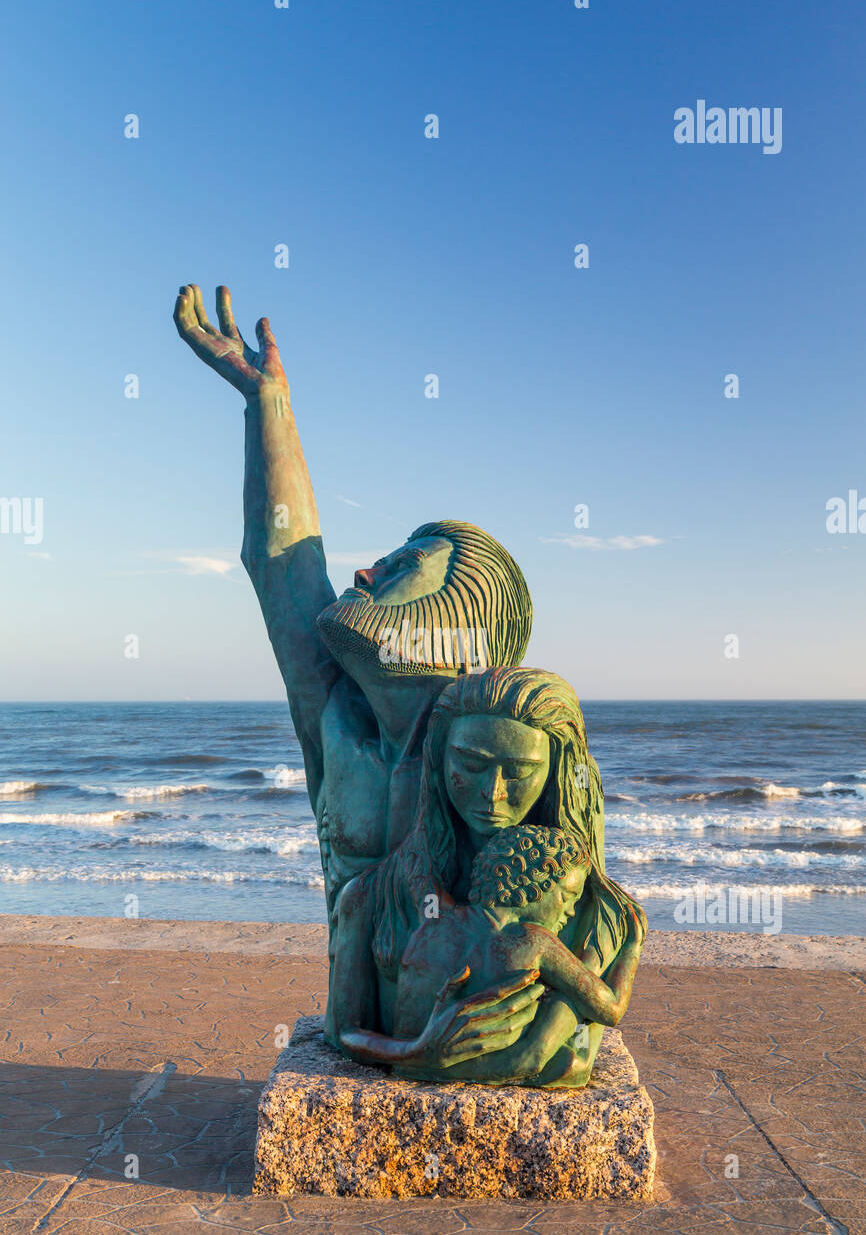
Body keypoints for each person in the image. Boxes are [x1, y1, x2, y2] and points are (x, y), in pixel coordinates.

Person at [172, 285, 533, 944]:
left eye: (402, 567)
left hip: (445, 1023)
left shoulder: (485, 744)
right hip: (360, 1014)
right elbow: (282, 559)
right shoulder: (336, 713)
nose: (366, 572)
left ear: (459, 607)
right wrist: (267, 403)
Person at [326, 668, 644, 1085]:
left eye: (518, 771)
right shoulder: (368, 899)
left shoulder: (592, 906)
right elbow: (344, 1031)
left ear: (557, 770)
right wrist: (420, 1050)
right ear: (438, 759)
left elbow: (575, 1058)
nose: (492, 793)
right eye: (471, 763)